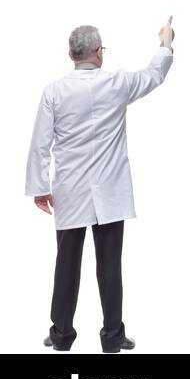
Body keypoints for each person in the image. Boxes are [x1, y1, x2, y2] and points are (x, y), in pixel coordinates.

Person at [25, 18, 175, 353]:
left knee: (66, 265)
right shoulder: (117, 84)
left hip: (70, 192)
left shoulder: (54, 91)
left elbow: (40, 143)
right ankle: (112, 336)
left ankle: (61, 334)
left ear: (70, 55)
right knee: (110, 267)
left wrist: (39, 185)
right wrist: (165, 42)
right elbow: (155, 74)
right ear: (98, 52)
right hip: (110, 192)